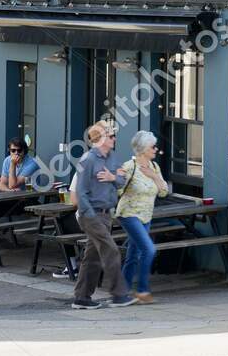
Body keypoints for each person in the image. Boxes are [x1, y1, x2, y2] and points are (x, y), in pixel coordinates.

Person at [70, 121, 133, 310]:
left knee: (93, 257)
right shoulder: (87, 160)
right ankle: (119, 294)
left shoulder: (112, 158)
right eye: (111, 136)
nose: (114, 139)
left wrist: (113, 178)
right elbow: (79, 193)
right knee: (111, 250)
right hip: (91, 214)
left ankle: (81, 298)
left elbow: (122, 181)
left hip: (106, 214)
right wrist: (89, 216)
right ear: (100, 139)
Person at [116, 131, 169, 304]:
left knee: (133, 253)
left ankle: (121, 291)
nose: (155, 149)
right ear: (143, 149)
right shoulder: (129, 166)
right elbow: (117, 187)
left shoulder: (154, 167)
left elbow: (163, 192)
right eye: (152, 146)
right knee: (149, 249)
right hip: (128, 214)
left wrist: (154, 177)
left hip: (146, 216)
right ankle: (143, 291)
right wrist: (115, 177)